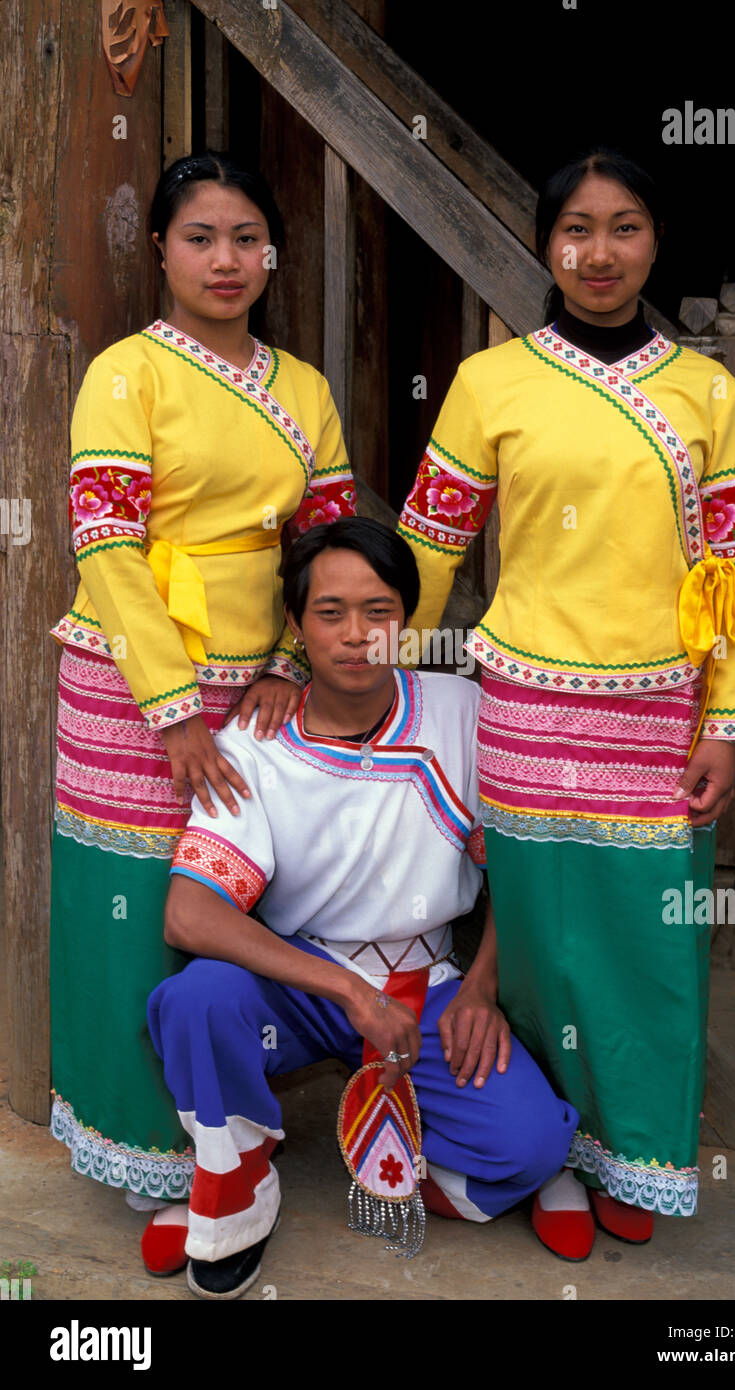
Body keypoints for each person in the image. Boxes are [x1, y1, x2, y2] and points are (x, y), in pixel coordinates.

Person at [396, 148, 735, 1259]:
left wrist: (729, 725)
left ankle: (637, 1153)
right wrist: (352, 657)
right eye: (574, 230)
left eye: (623, 227)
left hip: (659, 713)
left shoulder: (705, 392)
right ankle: (543, 1153)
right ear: (543, 245)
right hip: (526, 701)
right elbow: (428, 538)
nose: (597, 253)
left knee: (649, 946)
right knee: (541, 945)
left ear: (653, 242)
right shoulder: (491, 382)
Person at [48, 152, 355, 1268]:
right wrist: (172, 709)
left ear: (271, 253)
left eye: (245, 239)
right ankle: (151, 1151)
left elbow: (323, 544)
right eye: (199, 237)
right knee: (137, 902)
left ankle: (232, 1140)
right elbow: (106, 548)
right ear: (161, 251)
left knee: (235, 899)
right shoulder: (126, 375)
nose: (226, 260)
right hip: (136, 682)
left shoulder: (306, 389)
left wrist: (286, 658)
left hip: (257, 685)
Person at [147, 518, 578, 1298]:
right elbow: (189, 916)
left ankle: (396, 1151)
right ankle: (237, 1184)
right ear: (296, 626)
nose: (356, 636)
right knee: (196, 998)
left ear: (406, 620)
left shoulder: (461, 712)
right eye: (330, 613)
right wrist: (349, 992)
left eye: (378, 613)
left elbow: (528, 875)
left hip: (430, 986)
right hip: (305, 987)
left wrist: (481, 985)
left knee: (531, 1146)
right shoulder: (252, 742)